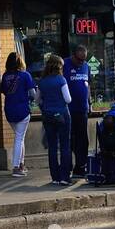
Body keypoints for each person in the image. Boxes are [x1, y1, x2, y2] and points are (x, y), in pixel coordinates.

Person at [37, 54, 73, 186]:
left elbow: (37, 100)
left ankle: (55, 177)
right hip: (62, 115)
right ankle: (64, 177)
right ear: (59, 66)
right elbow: (68, 99)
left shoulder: (42, 81)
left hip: (47, 116)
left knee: (52, 147)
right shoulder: (61, 80)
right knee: (65, 146)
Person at [0, 53, 37, 177]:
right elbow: (33, 94)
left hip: (9, 110)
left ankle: (21, 164)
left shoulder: (5, 76)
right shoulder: (25, 75)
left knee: (19, 137)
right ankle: (16, 167)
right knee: (19, 138)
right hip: (22, 110)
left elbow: (4, 91)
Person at [64, 46, 92, 178]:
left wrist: (90, 103)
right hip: (68, 109)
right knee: (70, 139)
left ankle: (80, 166)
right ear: (73, 55)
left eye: (83, 60)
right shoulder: (65, 64)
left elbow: (88, 85)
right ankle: (67, 166)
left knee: (82, 139)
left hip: (82, 108)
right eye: (79, 60)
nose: (81, 62)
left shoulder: (86, 66)